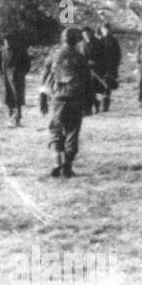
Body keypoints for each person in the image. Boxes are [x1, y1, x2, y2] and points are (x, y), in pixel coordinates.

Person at [41, 27, 92, 178]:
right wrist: (89, 103)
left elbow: (45, 78)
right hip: (76, 98)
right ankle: (67, 166)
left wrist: (42, 98)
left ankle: (57, 163)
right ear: (76, 41)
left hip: (57, 98)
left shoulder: (54, 56)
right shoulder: (80, 57)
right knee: (72, 131)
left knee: (56, 130)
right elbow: (88, 82)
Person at [0, 33, 31, 127]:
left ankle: (17, 118)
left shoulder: (20, 50)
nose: (7, 43)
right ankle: (11, 116)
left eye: (9, 41)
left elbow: (27, 62)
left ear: (13, 41)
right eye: (5, 41)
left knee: (17, 96)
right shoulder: (2, 50)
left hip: (16, 76)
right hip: (5, 76)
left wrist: (22, 72)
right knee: (7, 96)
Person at [96, 24, 121, 112]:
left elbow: (118, 55)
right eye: (104, 30)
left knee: (108, 87)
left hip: (111, 67)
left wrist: (115, 67)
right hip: (100, 67)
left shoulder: (114, 41)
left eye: (108, 30)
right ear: (102, 30)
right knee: (99, 87)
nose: (106, 31)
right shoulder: (99, 40)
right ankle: (97, 106)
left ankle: (105, 107)